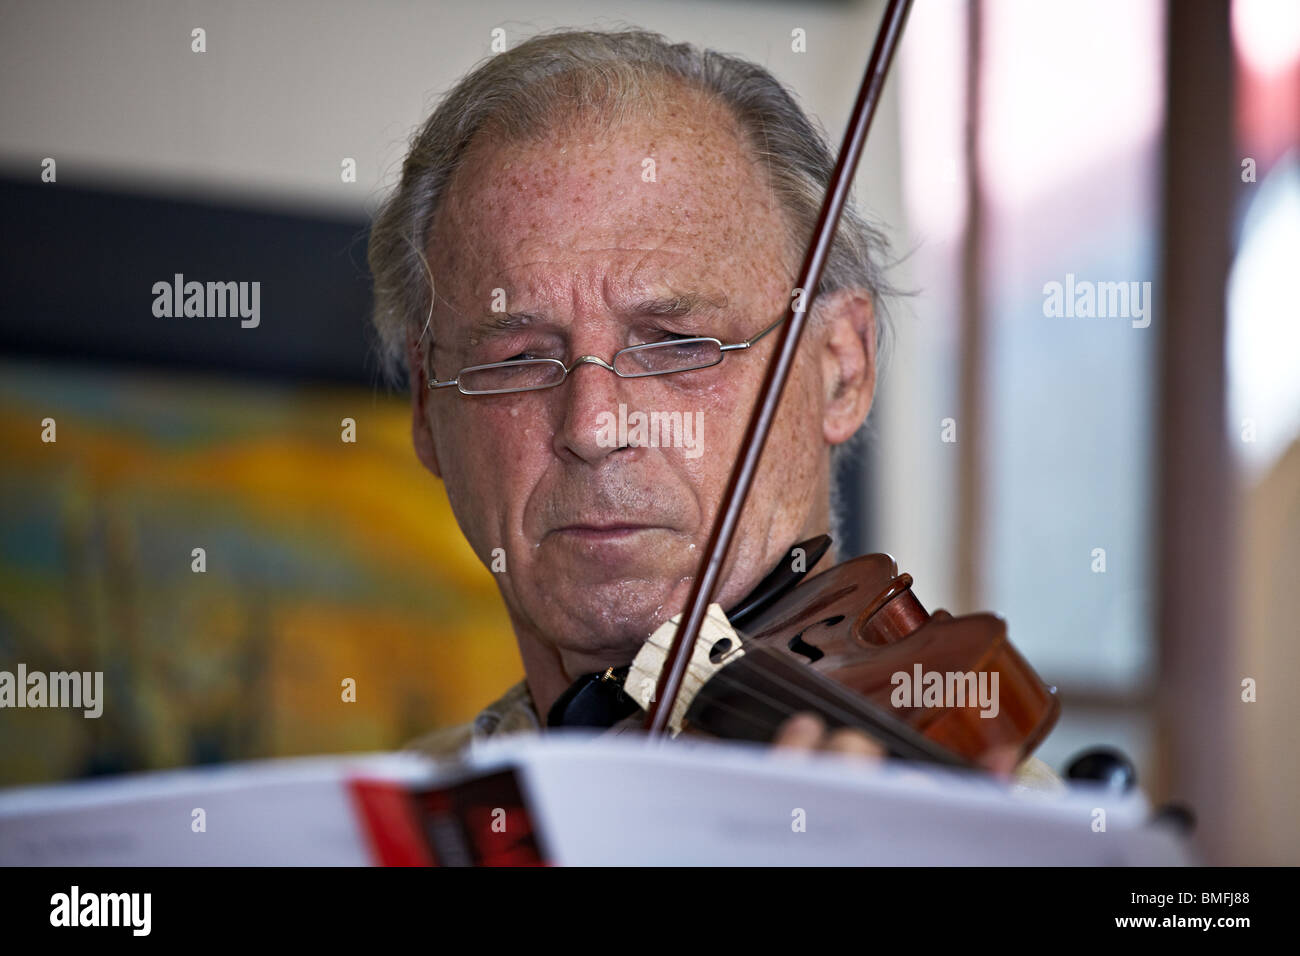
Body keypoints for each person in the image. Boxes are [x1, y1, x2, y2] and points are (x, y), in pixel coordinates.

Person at [367, 28, 1056, 786]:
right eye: (521, 358)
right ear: (429, 411)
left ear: (841, 369)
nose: (595, 426)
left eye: (676, 342)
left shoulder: (981, 828)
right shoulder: (383, 822)